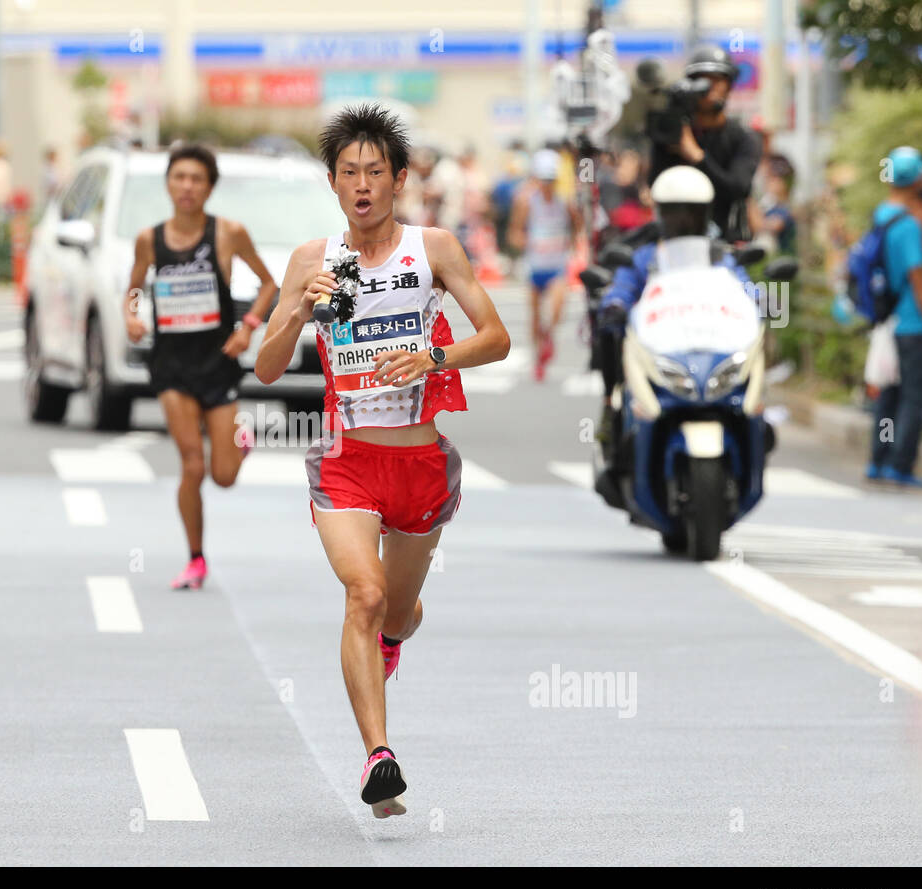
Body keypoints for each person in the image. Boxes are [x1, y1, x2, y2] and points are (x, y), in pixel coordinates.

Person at [254, 105, 510, 818]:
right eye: (348, 173)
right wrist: (299, 313)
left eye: (375, 172)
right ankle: (379, 758)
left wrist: (434, 354)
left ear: (399, 180)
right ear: (333, 184)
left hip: (420, 464)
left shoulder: (435, 249)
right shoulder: (312, 261)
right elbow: (268, 368)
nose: (362, 185)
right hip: (347, 462)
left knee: (398, 610)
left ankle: (391, 638)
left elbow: (495, 338)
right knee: (362, 596)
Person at [122, 144, 279, 590]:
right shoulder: (149, 240)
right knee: (191, 465)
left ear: (210, 187)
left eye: (197, 179)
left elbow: (269, 284)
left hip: (218, 362)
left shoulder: (228, 233)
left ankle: (239, 441)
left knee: (223, 477)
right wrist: (132, 315)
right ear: (168, 184)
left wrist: (248, 327)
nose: (187, 186)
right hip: (171, 365)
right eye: (179, 177)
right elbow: (133, 289)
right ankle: (195, 559)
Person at [594, 165, 753, 465]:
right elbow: (623, 287)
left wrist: (762, 300)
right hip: (663, 351)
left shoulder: (722, 259)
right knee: (612, 340)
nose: (683, 219)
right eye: (674, 211)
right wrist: (614, 303)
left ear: (704, 215)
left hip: (712, 349)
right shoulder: (645, 258)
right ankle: (613, 419)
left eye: (691, 212)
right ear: (660, 214)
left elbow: (745, 287)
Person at [867, 146, 922, 489]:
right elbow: (917, 278)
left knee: (888, 393)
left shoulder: (882, 214)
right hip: (910, 321)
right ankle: (900, 464)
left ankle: (879, 459)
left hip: (887, 318)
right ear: (914, 179)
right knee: (913, 396)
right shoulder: (908, 225)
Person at [648, 45, 761, 242]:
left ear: (729, 86)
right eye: (703, 80)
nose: (710, 87)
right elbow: (656, 184)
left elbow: (738, 188)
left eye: (718, 80)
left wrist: (696, 155)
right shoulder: (676, 135)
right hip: (676, 243)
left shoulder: (743, 138)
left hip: (727, 245)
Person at [509, 148, 581, 382]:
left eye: (551, 180)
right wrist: (525, 241)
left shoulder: (565, 202)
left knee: (558, 309)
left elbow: (577, 226)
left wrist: (570, 245)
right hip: (534, 266)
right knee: (534, 316)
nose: (547, 185)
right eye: (544, 180)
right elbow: (514, 233)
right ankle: (538, 358)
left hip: (557, 265)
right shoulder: (526, 202)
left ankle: (548, 336)